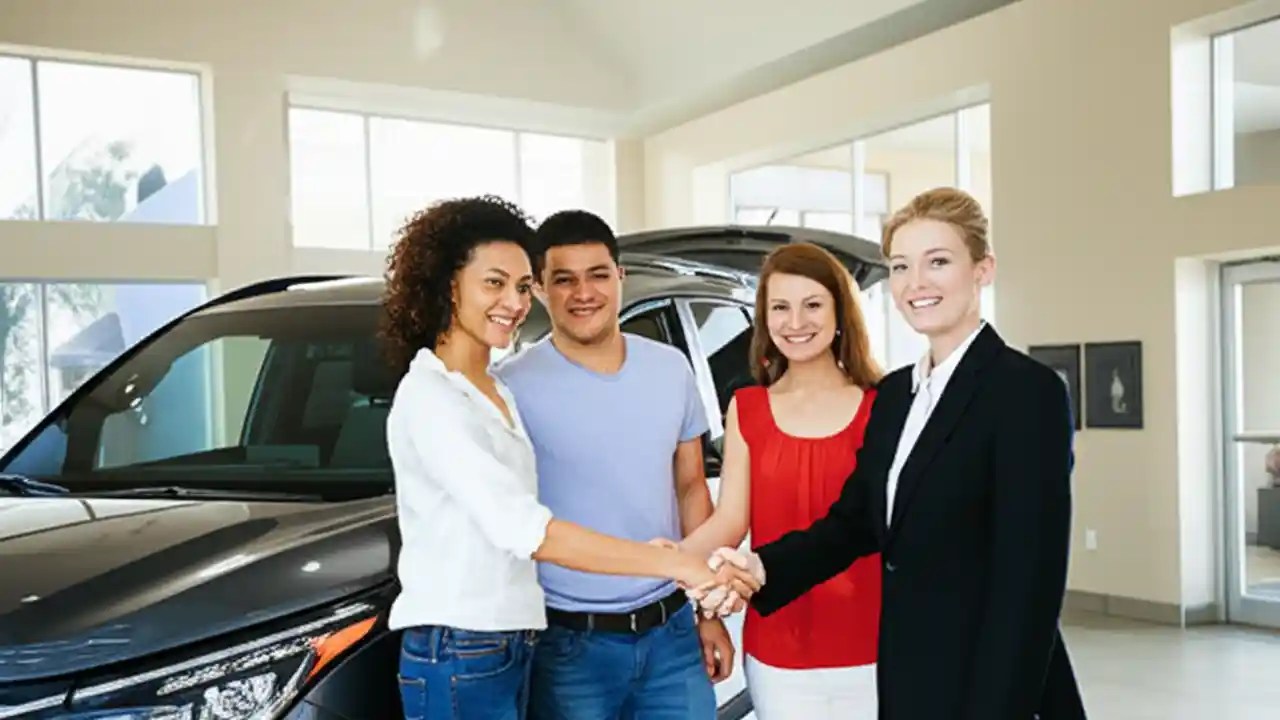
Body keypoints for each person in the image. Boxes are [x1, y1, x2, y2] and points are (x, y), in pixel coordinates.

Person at [694, 187, 1087, 719]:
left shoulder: (1025, 392)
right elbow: (856, 522)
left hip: (984, 689)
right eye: (901, 267)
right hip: (906, 677)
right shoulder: (899, 395)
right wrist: (761, 567)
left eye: (938, 262)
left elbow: (1029, 587)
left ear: (983, 269)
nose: (916, 283)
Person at [380, 196, 754, 720]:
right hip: (526, 642)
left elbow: (690, 484)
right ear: (449, 285)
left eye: (518, 286)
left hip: (557, 638)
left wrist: (697, 602)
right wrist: (673, 561)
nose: (512, 301)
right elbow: (525, 527)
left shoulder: (491, 391)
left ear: (620, 277)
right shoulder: (450, 394)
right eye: (495, 283)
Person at [493, 209, 735, 720]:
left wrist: (708, 613)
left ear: (619, 278)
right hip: (568, 644)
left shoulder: (670, 368)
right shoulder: (510, 388)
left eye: (598, 274)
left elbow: (691, 485)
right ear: (539, 289)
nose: (584, 293)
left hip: (671, 634)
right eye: (565, 279)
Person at [677, 242, 884, 718]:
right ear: (764, 318)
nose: (796, 323)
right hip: (779, 649)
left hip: (876, 642)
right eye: (780, 308)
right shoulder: (747, 409)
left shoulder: (881, 405)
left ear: (840, 313)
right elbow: (729, 521)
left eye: (812, 305)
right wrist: (661, 562)